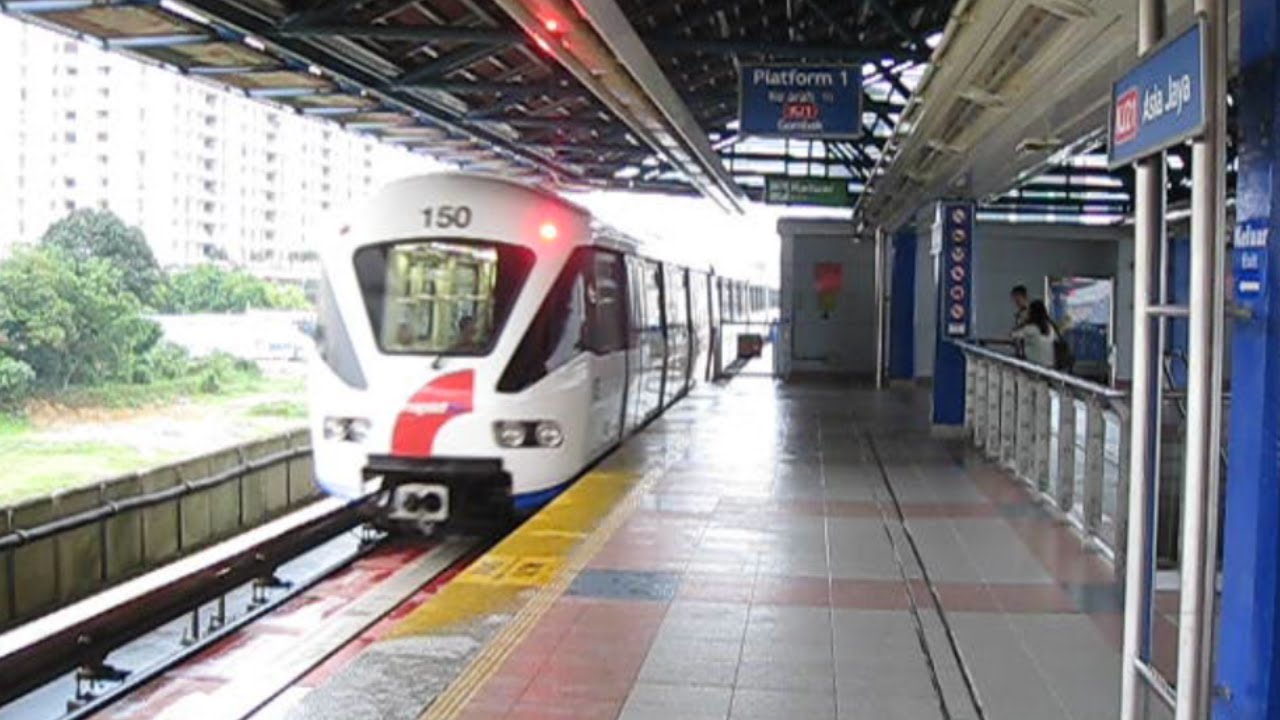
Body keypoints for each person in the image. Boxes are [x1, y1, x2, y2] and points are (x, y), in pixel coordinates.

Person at [1011, 300, 1057, 368]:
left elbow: (1012, 334)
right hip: (1050, 365)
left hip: (1035, 366)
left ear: (1031, 313)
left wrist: (1023, 321)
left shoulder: (1030, 328)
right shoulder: (1050, 327)